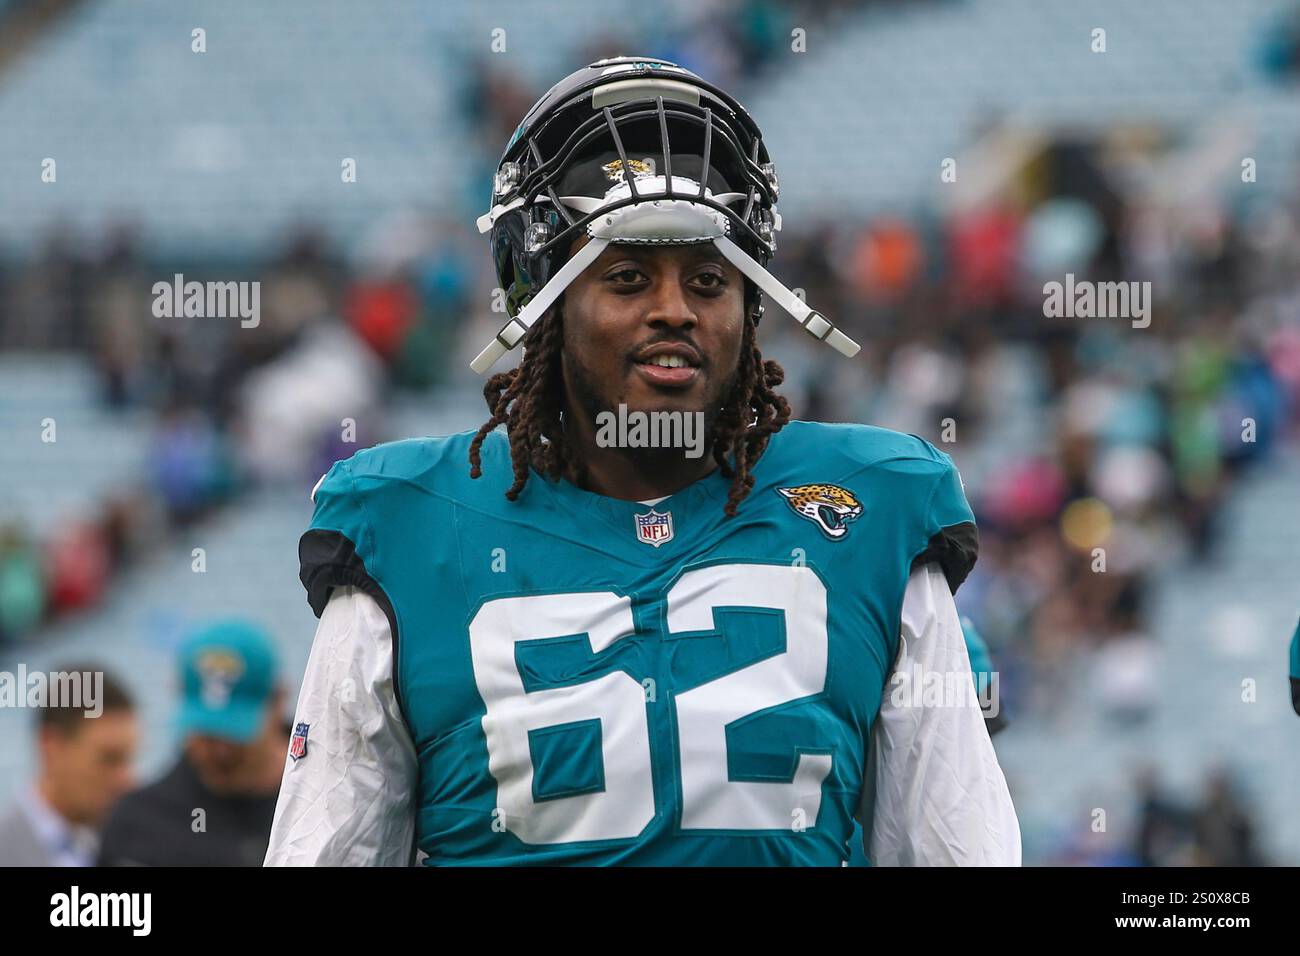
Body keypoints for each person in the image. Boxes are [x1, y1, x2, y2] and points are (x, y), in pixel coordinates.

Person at [267, 56, 1020, 866]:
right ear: (543, 306)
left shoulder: (866, 510)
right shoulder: (412, 527)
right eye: (627, 277)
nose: (674, 310)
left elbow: (955, 848)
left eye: (707, 279)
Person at [98, 620, 286, 866]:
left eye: (234, 732)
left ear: (277, 703)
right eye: (206, 733)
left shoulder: (329, 798)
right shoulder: (141, 822)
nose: (220, 750)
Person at [0, 665, 137, 867]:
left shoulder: (121, 843)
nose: (127, 781)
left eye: (129, 760)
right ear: (51, 748)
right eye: (108, 760)